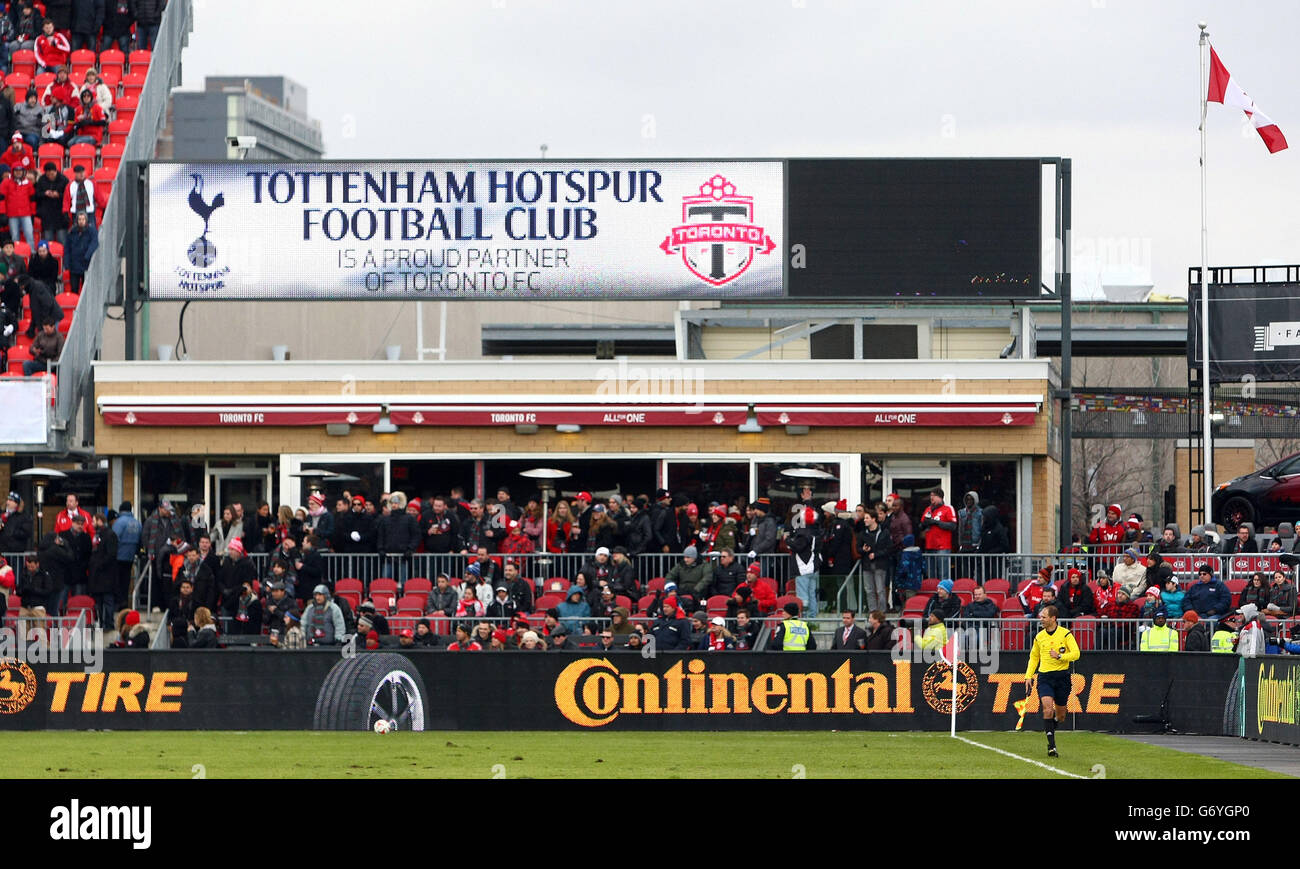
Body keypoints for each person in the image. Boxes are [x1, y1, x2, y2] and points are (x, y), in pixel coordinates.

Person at [1025, 604, 1080, 758]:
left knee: (1061, 716)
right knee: (1047, 709)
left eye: (1044, 617)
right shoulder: (1039, 636)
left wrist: (1061, 656)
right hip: (1045, 677)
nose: (1040, 619)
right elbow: (1034, 657)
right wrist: (1028, 676)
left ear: (1053, 618)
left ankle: (1053, 722)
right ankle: (1052, 747)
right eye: (1041, 616)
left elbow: (1076, 654)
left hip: (1062, 677)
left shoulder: (1065, 634)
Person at [786, 506, 820, 618]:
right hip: (813, 566)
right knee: (812, 594)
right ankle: (813, 618)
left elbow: (798, 546)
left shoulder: (803, 533)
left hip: (803, 567)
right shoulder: (816, 531)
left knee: (802, 595)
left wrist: (787, 540)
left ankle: (804, 617)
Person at [858, 508, 893, 614]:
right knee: (869, 590)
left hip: (880, 564)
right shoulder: (863, 533)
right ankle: (872, 611)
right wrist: (863, 550)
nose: (865, 520)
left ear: (874, 519)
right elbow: (858, 548)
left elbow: (889, 548)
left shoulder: (884, 532)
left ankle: (881, 611)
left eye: (867, 518)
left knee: (880, 589)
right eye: (864, 518)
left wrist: (876, 554)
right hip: (867, 564)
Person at [918, 488, 957, 581]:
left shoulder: (948, 508)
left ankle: (944, 594)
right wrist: (925, 523)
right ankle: (933, 594)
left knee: (943, 574)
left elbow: (953, 526)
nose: (931, 498)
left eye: (934, 495)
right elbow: (921, 525)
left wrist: (936, 522)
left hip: (942, 547)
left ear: (940, 497)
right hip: (930, 546)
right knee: (931, 574)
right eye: (931, 495)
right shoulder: (928, 509)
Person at [2, 164, 35, 250]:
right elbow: (1, 199)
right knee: (15, 237)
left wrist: (33, 213)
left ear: (23, 172)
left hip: (26, 214)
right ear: (13, 172)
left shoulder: (28, 183)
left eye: (20, 171)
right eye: (16, 171)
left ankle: (31, 255)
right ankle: (16, 255)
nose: (18, 172)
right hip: (12, 214)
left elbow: (32, 200)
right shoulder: (6, 183)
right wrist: (2, 213)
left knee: (29, 235)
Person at [33, 161, 67, 246]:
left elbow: (68, 195)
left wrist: (58, 195)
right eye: (48, 175)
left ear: (56, 171)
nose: (50, 176)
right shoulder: (42, 180)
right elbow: (37, 194)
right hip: (47, 215)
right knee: (48, 241)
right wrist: (45, 193)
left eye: (52, 174)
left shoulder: (63, 180)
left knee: (62, 240)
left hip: (60, 215)